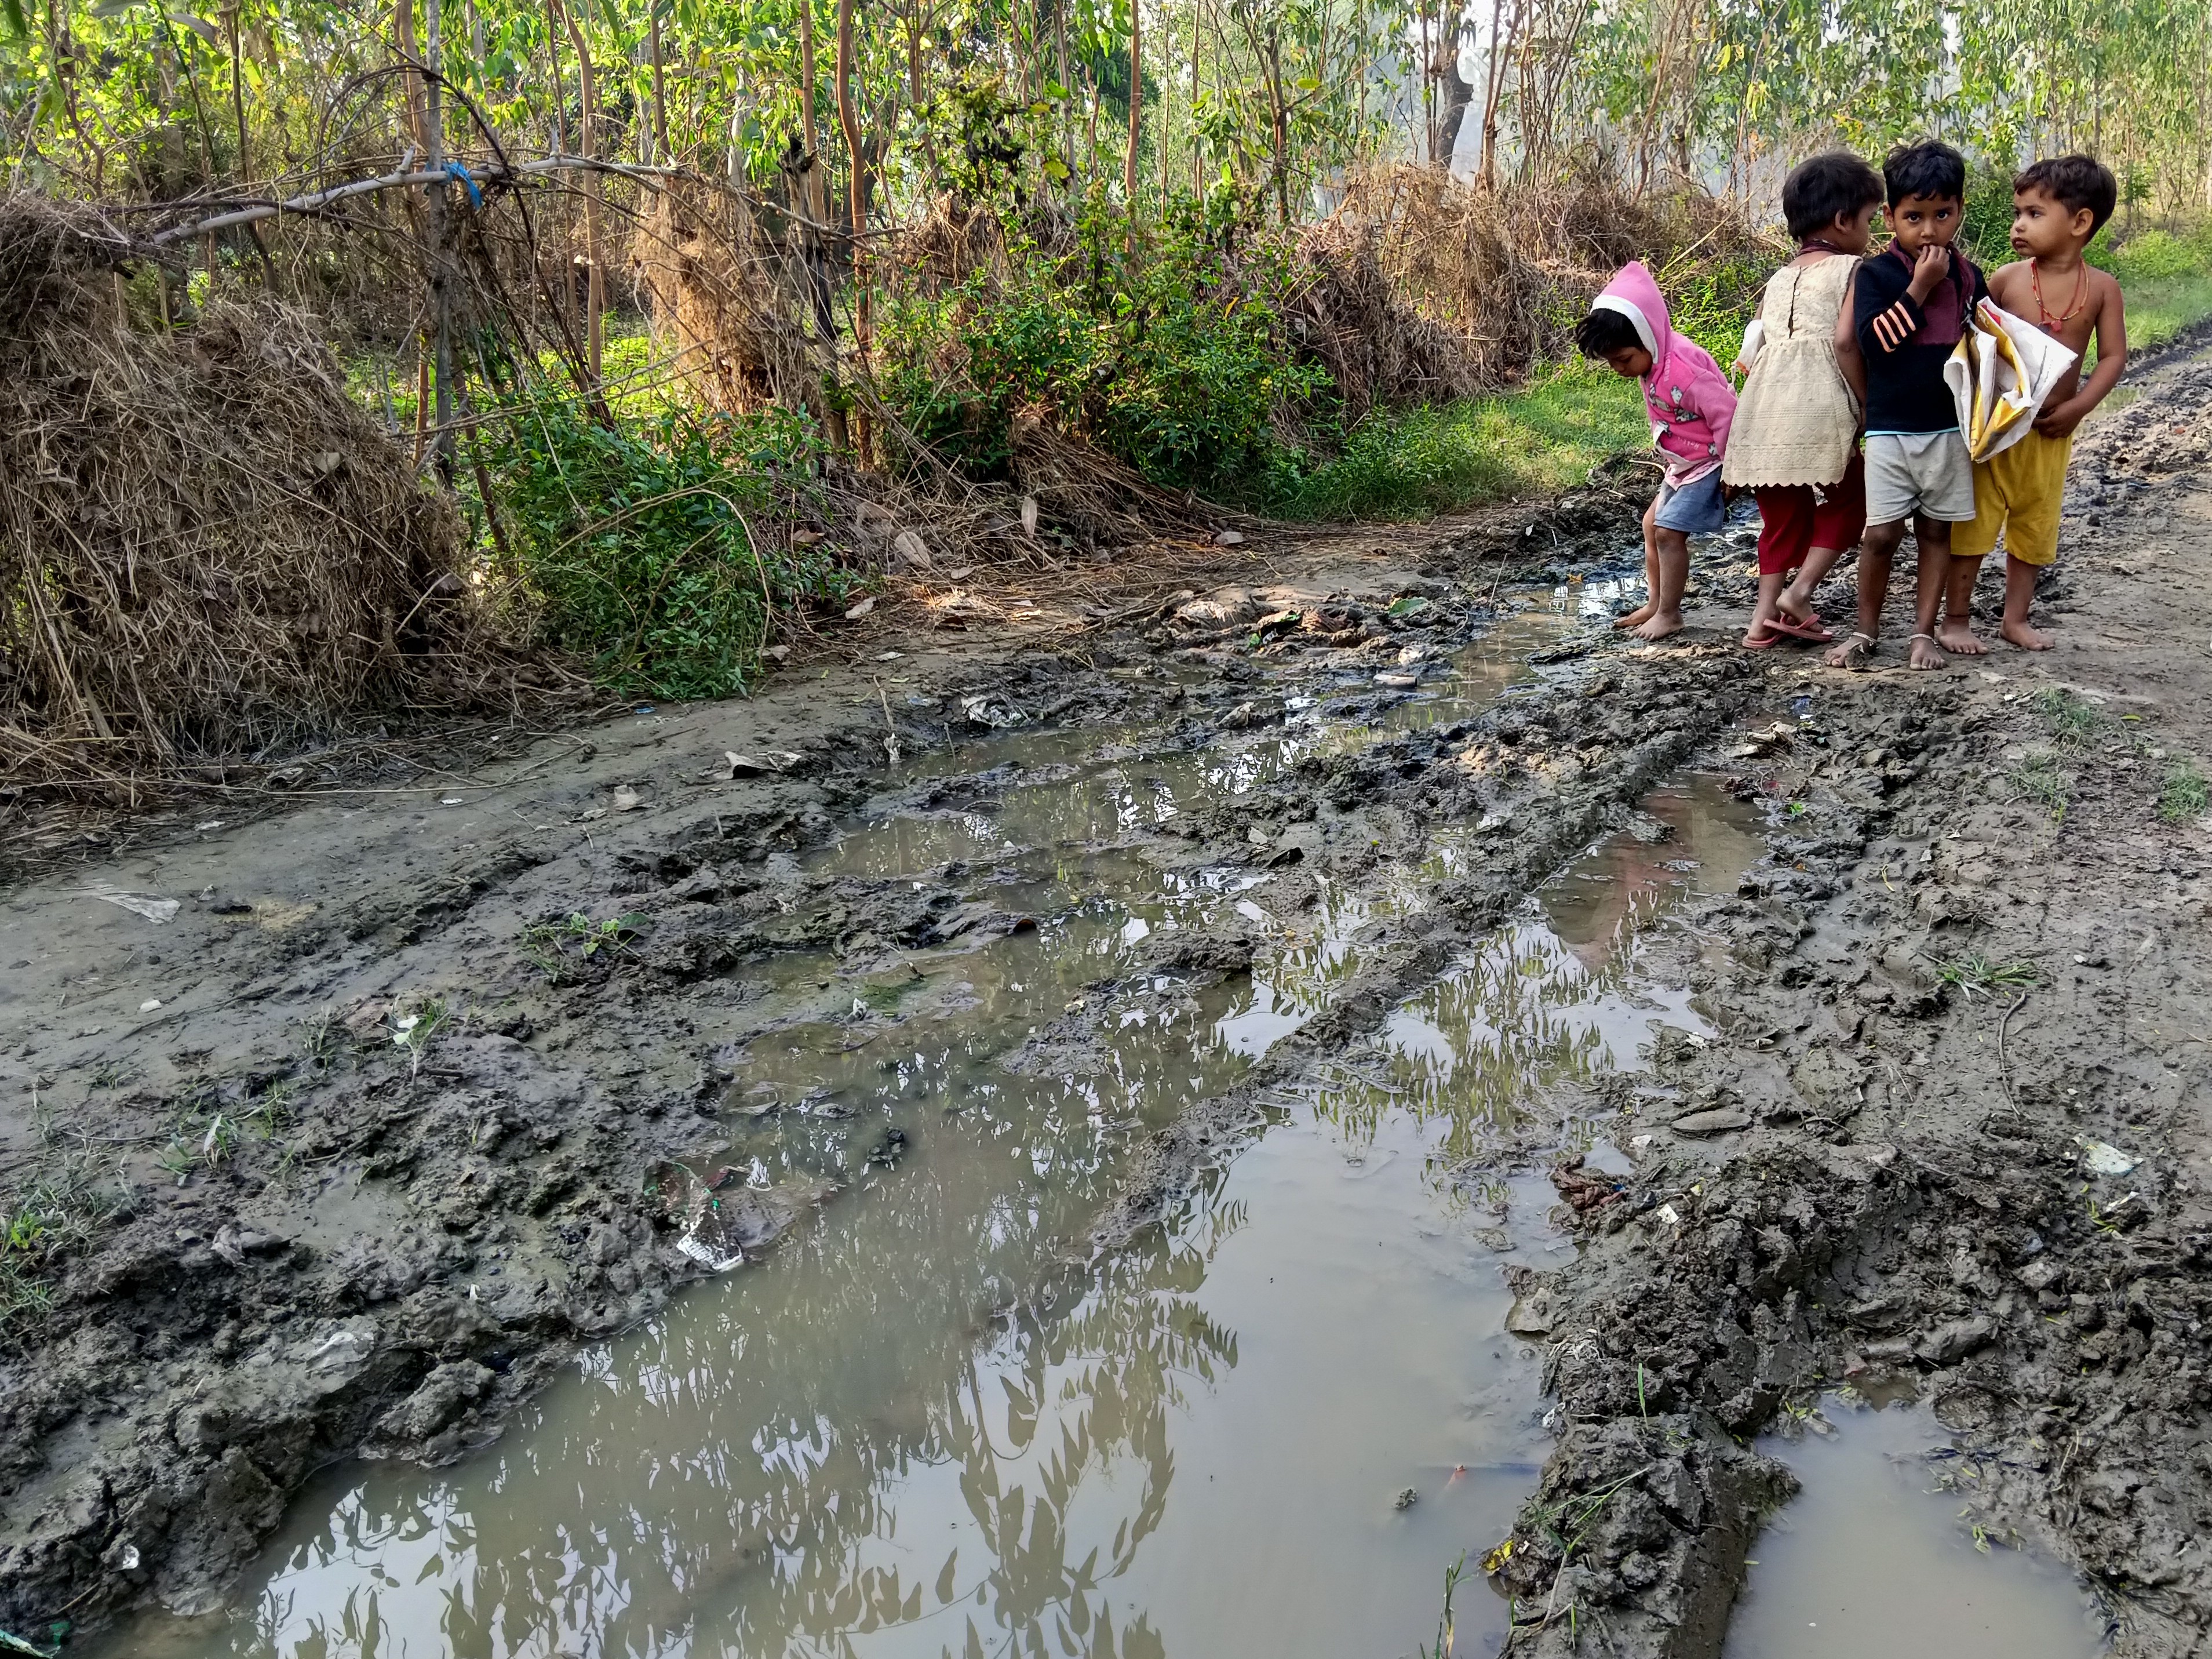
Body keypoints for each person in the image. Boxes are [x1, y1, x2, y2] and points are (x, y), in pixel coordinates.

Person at [1947, 155, 2127, 650]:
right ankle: (1955, 619)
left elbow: (2113, 356)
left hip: (2050, 432)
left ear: (2080, 222)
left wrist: (2078, 407)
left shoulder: (2102, 289)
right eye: (2017, 213)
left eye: (2033, 214)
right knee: (1973, 526)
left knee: (2034, 527)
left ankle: (2014, 619)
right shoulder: (2006, 279)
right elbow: (1974, 343)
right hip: (1996, 429)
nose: (2018, 225)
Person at [1824, 140, 1987, 672]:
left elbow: (1987, 344)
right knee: (1880, 534)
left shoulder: (1968, 277)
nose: (1929, 230)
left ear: (1959, 211)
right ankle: (1864, 630)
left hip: (1948, 429)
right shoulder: (1876, 275)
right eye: (1914, 217)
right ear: (1890, 217)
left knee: (1936, 531)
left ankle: (1922, 634)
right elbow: (1874, 346)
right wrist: (1919, 288)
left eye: (1942, 214)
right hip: (1890, 428)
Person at [1724, 150, 1882, 650]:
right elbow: (1847, 344)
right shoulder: (1855, 270)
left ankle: (1760, 621)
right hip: (1819, 404)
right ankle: (1800, 592)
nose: (1870, 232)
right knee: (1854, 499)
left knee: (1780, 519)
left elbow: (1755, 345)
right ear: (1843, 221)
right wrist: (1866, 404)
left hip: (1762, 410)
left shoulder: (1776, 279)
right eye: (1869, 220)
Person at [1575, 262, 1737, 642]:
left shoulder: (1682, 369)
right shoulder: (1654, 361)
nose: (1618, 369)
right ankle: (1655, 603)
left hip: (1710, 460)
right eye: (1611, 362)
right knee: (1652, 525)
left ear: (1648, 335)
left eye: (1623, 359)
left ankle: (1669, 613)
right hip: (1684, 463)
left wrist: (1733, 467)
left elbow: (1727, 413)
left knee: (1667, 532)